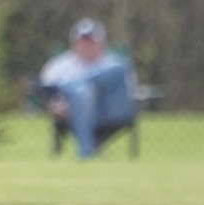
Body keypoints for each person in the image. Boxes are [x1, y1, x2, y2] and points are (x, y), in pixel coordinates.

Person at [37, 17, 138, 160]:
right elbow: (45, 88)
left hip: (109, 112)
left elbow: (130, 92)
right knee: (82, 93)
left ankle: (86, 151)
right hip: (73, 112)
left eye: (92, 41)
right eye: (83, 41)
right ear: (74, 44)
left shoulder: (113, 63)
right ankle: (87, 153)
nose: (87, 45)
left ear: (101, 43)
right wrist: (55, 103)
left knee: (118, 70)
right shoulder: (60, 65)